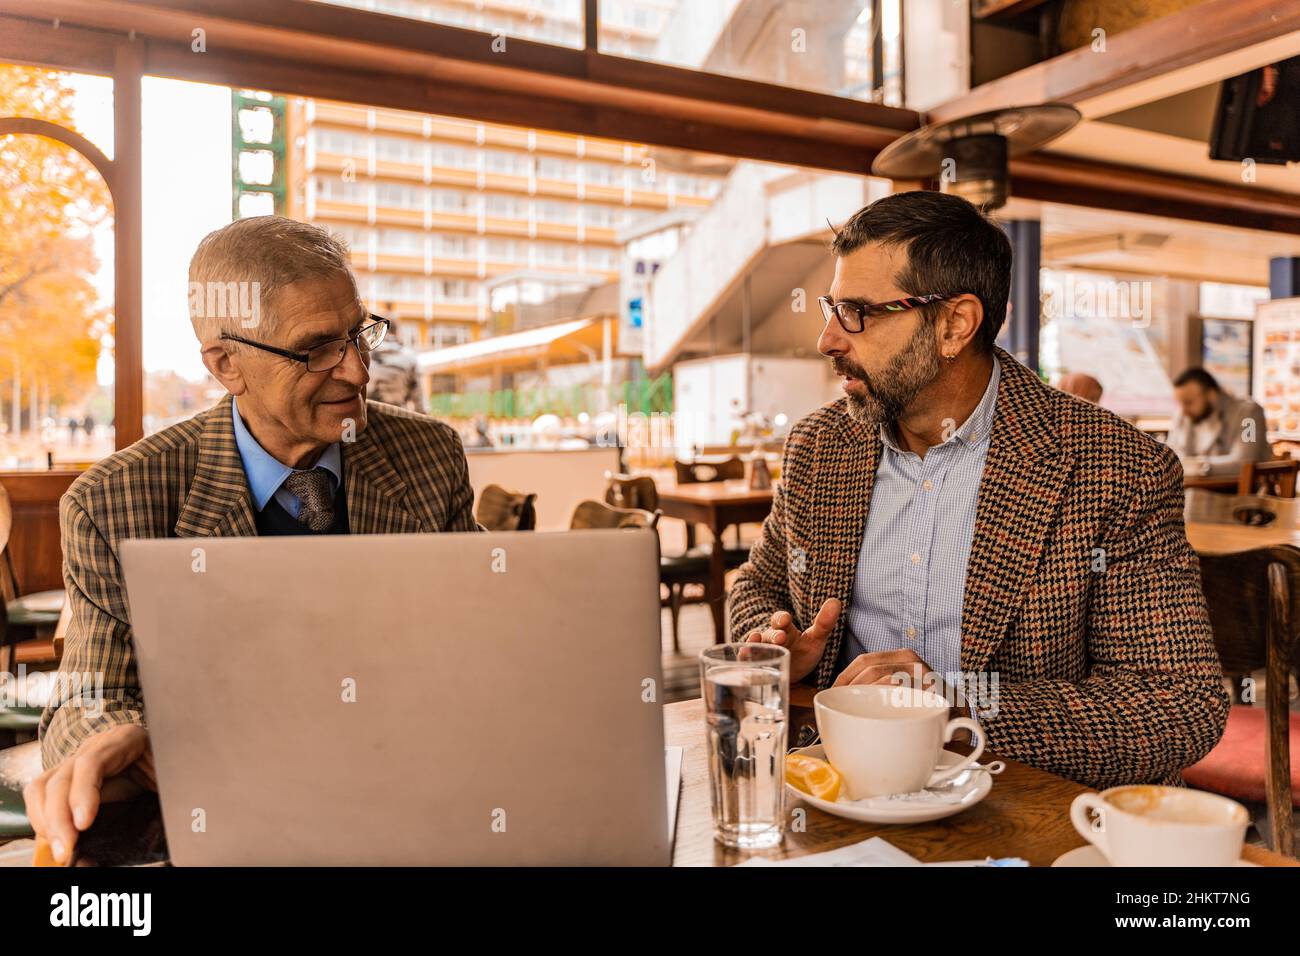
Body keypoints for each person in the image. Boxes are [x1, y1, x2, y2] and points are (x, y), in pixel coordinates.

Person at [732, 190, 1227, 791]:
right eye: (831, 308)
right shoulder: (820, 448)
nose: (829, 340)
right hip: (838, 794)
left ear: (955, 325)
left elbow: (1176, 704)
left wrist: (952, 708)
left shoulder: (1115, 466)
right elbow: (758, 584)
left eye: (858, 312)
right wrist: (774, 642)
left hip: (1029, 811)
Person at [26, 216, 481, 865]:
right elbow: (86, 696)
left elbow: (481, 640)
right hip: (226, 832)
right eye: (318, 348)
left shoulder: (428, 454)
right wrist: (114, 733)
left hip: (412, 809)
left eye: (359, 332)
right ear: (224, 364)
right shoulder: (114, 500)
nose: (357, 371)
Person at [1165, 367, 1271, 477]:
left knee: (1192, 495)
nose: (1183, 410)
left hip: (1239, 490)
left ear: (1211, 395)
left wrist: (1200, 467)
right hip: (1195, 487)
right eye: (1180, 403)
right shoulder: (1184, 416)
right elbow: (1170, 457)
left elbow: (1245, 461)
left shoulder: (1249, 415)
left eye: (1189, 402)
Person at [365, 312, 421, 410]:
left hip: (369, 414)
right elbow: (419, 402)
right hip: (397, 417)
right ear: (397, 331)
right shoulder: (410, 357)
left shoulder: (365, 354)